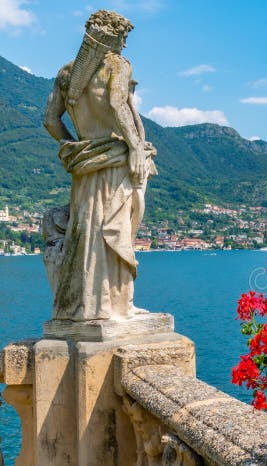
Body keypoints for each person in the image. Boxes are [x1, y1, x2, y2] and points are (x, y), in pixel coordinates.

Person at [43, 9, 156, 321]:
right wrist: (135, 147)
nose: (125, 45)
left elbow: (50, 121)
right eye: (123, 37)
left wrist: (74, 146)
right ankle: (117, 306)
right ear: (113, 35)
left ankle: (88, 307)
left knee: (86, 232)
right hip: (114, 163)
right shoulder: (115, 65)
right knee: (115, 229)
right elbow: (119, 105)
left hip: (84, 166)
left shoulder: (66, 74)